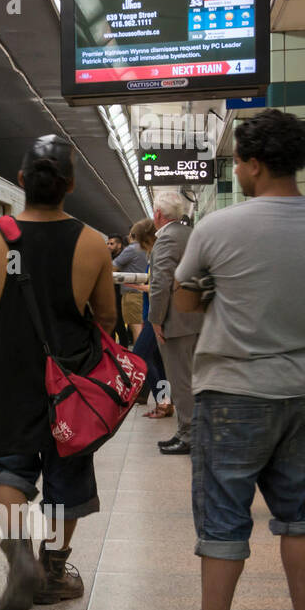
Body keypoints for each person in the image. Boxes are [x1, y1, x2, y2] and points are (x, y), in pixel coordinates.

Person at [147, 109, 305, 610]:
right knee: (302, 514)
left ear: (255, 163)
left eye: (237, 159)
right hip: (303, 393)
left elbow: (185, 300)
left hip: (233, 394)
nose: (235, 169)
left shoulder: (218, 228)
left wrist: (224, 299)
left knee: (223, 517)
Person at [0, 134, 117, 610]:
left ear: (22, 181)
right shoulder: (93, 243)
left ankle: (18, 553)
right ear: (69, 186)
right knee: (66, 467)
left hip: (11, 375)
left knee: (7, 465)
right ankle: (51, 570)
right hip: (69, 379)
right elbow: (108, 319)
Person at [147, 190, 204, 455]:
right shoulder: (192, 235)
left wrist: (155, 320)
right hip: (196, 319)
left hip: (176, 321)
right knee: (192, 379)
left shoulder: (167, 239)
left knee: (180, 381)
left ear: (158, 214)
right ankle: (190, 431)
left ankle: (188, 436)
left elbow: (160, 284)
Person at [124, 219, 171, 419]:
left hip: (156, 316)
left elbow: (163, 286)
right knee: (158, 361)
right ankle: (165, 403)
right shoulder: (153, 253)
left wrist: (140, 286)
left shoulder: (159, 253)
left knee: (141, 356)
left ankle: (163, 402)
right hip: (150, 313)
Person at [112, 226, 149, 339]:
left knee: (136, 328)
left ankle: (138, 355)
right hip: (143, 291)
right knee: (141, 325)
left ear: (130, 236)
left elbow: (112, 267)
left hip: (131, 294)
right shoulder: (147, 248)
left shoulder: (131, 249)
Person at [108, 234, 131, 346]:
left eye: (111, 243)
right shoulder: (110, 256)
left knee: (119, 323)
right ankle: (112, 347)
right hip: (111, 293)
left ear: (119, 245)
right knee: (112, 322)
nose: (109, 246)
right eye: (107, 243)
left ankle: (123, 347)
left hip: (121, 293)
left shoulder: (123, 256)